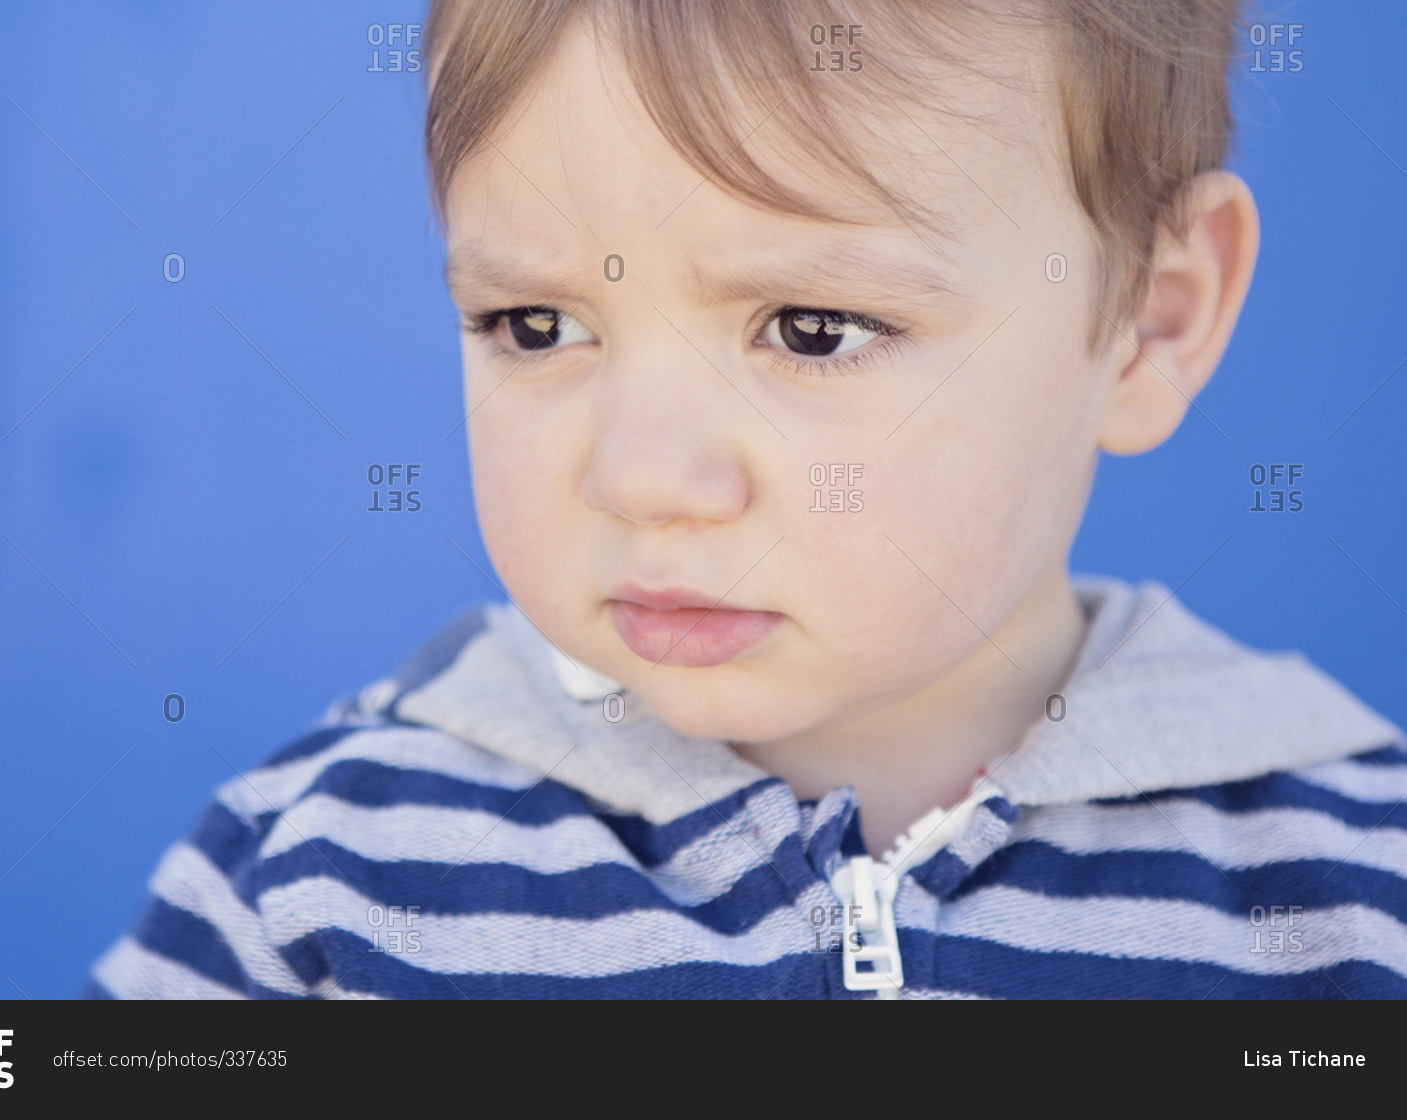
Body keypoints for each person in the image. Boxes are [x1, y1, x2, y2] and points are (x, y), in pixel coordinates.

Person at [87, 0, 1407, 998]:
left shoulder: (1352, 892)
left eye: (815, 330)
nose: (643, 476)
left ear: (1149, 322)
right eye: (536, 324)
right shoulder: (329, 867)